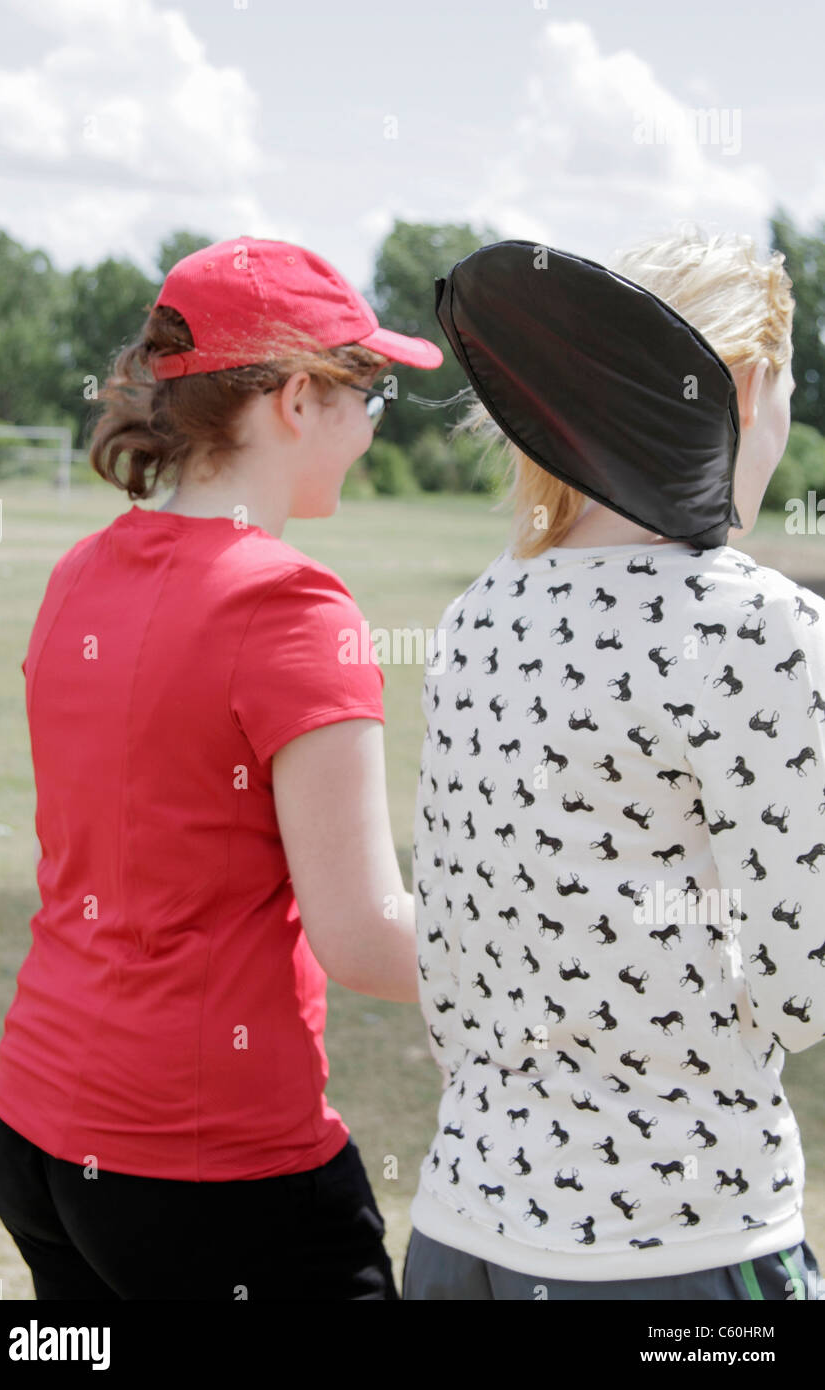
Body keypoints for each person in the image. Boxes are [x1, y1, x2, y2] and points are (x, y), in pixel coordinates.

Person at [0, 236, 443, 1301]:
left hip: (40, 1134)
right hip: (204, 1162)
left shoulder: (76, 574)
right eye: (364, 391)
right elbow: (368, 938)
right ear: (293, 398)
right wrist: (581, 964)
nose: (371, 426)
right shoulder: (288, 604)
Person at [403, 228, 825, 1300]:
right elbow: (803, 990)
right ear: (740, 385)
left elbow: (447, 961)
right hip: (678, 1245)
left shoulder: (475, 617)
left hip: (461, 1232)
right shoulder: (755, 625)